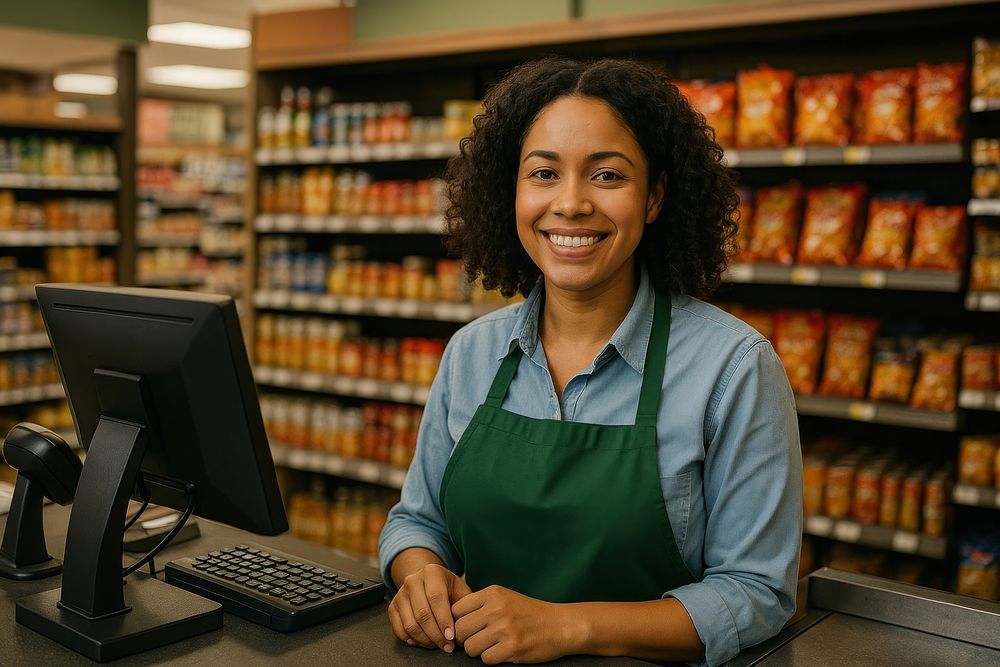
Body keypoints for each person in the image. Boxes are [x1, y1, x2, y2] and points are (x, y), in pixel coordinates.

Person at [378, 57, 802, 666]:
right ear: (511, 192)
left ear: (654, 197)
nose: (571, 203)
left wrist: (569, 627)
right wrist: (419, 573)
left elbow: (755, 593)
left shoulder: (733, 368)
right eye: (543, 173)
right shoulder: (472, 352)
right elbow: (417, 521)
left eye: (607, 175)